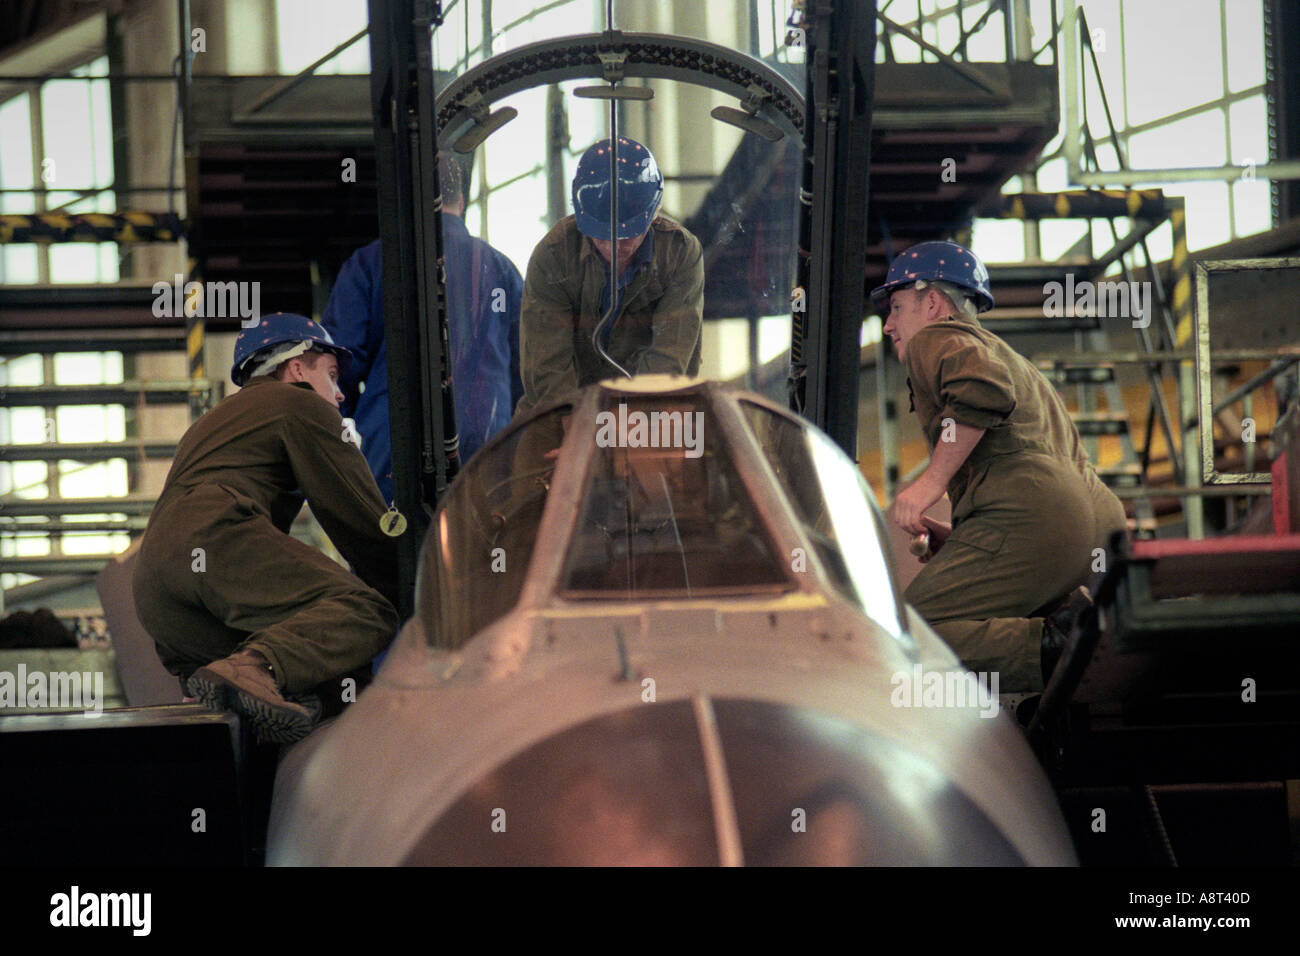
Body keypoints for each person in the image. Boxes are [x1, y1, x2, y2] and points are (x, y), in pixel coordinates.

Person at [132, 313, 400, 743]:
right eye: (331, 375)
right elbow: (361, 525)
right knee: (361, 611)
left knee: (309, 684)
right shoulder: (298, 402)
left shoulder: (217, 420)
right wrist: (421, 587)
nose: (340, 392)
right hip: (213, 537)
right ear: (296, 367)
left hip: (155, 585)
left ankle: (247, 683)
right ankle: (253, 668)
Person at [874, 241, 1127, 692]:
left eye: (896, 306)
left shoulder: (935, 337)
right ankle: (1067, 643)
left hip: (1036, 516)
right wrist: (966, 539)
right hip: (1093, 522)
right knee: (991, 622)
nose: (889, 324)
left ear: (932, 301)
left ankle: (1056, 644)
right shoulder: (1010, 357)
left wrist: (929, 484)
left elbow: (982, 392)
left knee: (908, 633)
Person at [324, 154, 524, 503]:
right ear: (461, 200)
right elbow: (527, 367)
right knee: (482, 549)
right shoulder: (501, 269)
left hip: (395, 444)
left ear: (406, 199)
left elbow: (337, 362)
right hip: (490, 446)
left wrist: (356, 414)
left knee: (394, 549)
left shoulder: (370, 264)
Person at [516, 136, 705, 415]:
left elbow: (669, 358)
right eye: (602, 235)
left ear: (653, 215)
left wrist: (628, 428)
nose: (614, 246)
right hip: (559, 412)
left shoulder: (680, 254)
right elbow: (547, 367)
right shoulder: (553, 255)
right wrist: (573, 428)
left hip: (655, 410)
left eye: (628, 234)